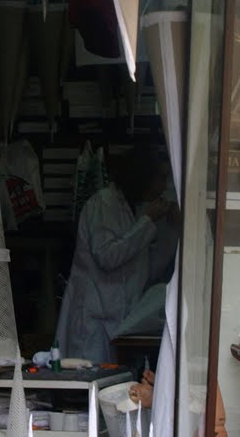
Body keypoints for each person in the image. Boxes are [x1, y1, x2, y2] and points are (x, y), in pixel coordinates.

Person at [53, 145, 178, 367]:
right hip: (94, 324)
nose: (164, 186)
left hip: (119, 326)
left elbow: (149, 270)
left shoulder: (136, 210)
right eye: (161, 177)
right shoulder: (103, 204)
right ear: (143, 176)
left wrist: (171, 229)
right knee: (89, 389)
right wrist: (147, 222)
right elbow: (107, 256)